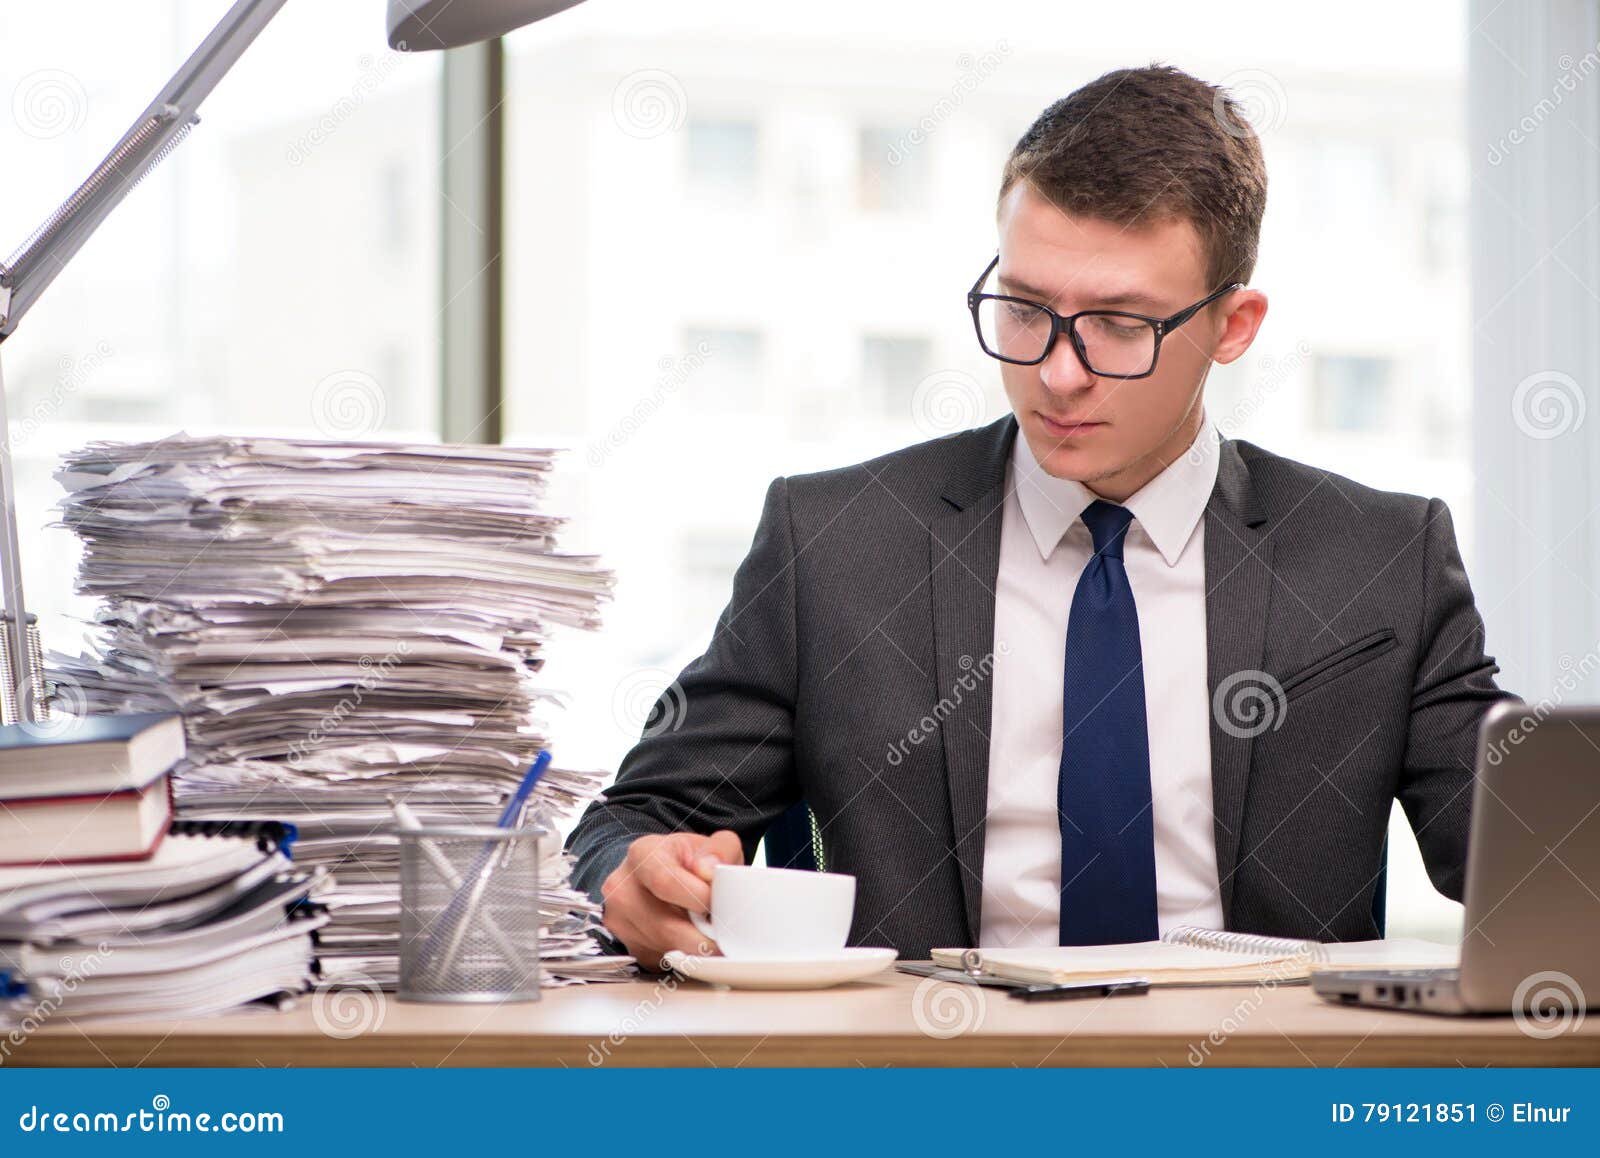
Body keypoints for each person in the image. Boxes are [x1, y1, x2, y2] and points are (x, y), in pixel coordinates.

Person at [567, 63, 1514, 968]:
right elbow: (630, 823)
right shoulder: (835, 545)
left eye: (1119, 325)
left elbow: (1527, 859)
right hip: (927, 1090)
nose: (1058, 372)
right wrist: (631, 876)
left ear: (1234, 327)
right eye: (1023, 309)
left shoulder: (1382, 559)